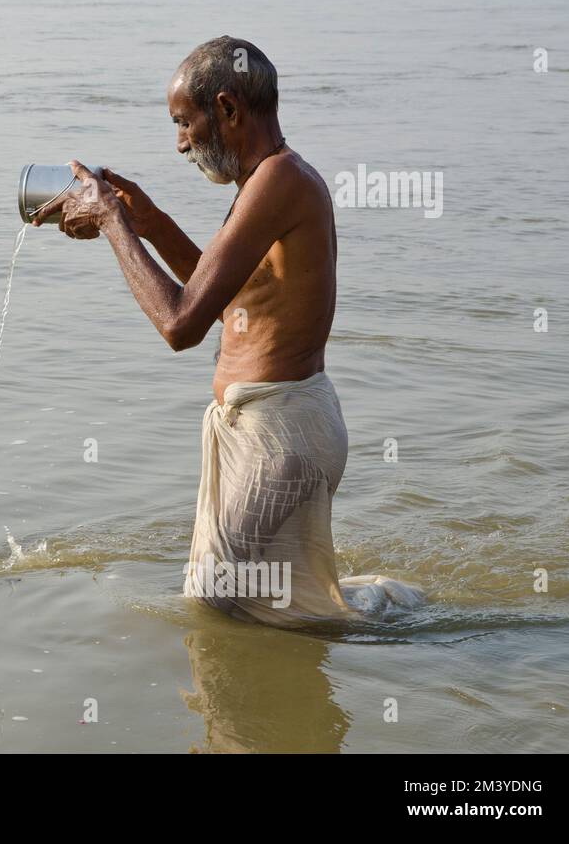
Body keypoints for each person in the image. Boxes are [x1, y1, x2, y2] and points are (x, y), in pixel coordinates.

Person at [33, 36, 423, 626]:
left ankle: (399, 634)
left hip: (282, 435)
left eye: (184, 123)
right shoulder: (268, 181)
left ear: (228, 109)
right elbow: (231, 309)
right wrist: (152, 224)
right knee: (260, 602)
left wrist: (113, 223)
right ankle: (314, 680)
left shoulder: (280, 180)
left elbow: (179, 325)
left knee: (218, 599)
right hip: (278, 428)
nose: (181, 143)